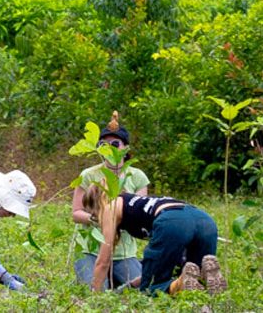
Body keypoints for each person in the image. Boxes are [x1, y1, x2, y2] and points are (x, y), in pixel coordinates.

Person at [81, 186, 225, 295]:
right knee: (194, 276)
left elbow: (103, 261)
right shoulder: (132, 201)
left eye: (93, 215)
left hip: (173, 221)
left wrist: (95, 297)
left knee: (150, 289)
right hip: (204, 221)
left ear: (97, 203)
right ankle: (206, 275)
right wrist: (138, 280)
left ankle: (180, 284)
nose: (95, 220)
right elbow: (170, 256)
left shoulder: (109, 207)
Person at [69, 112, 148, 289]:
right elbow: (76, 213)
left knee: (142, 288)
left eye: (114, 144)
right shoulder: (88, 175)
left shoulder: (137, 176)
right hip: (91, 249)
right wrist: (97, 218)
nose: (109, 148)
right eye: (103, 144)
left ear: (125, 148)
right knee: (95, 290)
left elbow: (141, 214)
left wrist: (118, 215)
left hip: (124, 251)